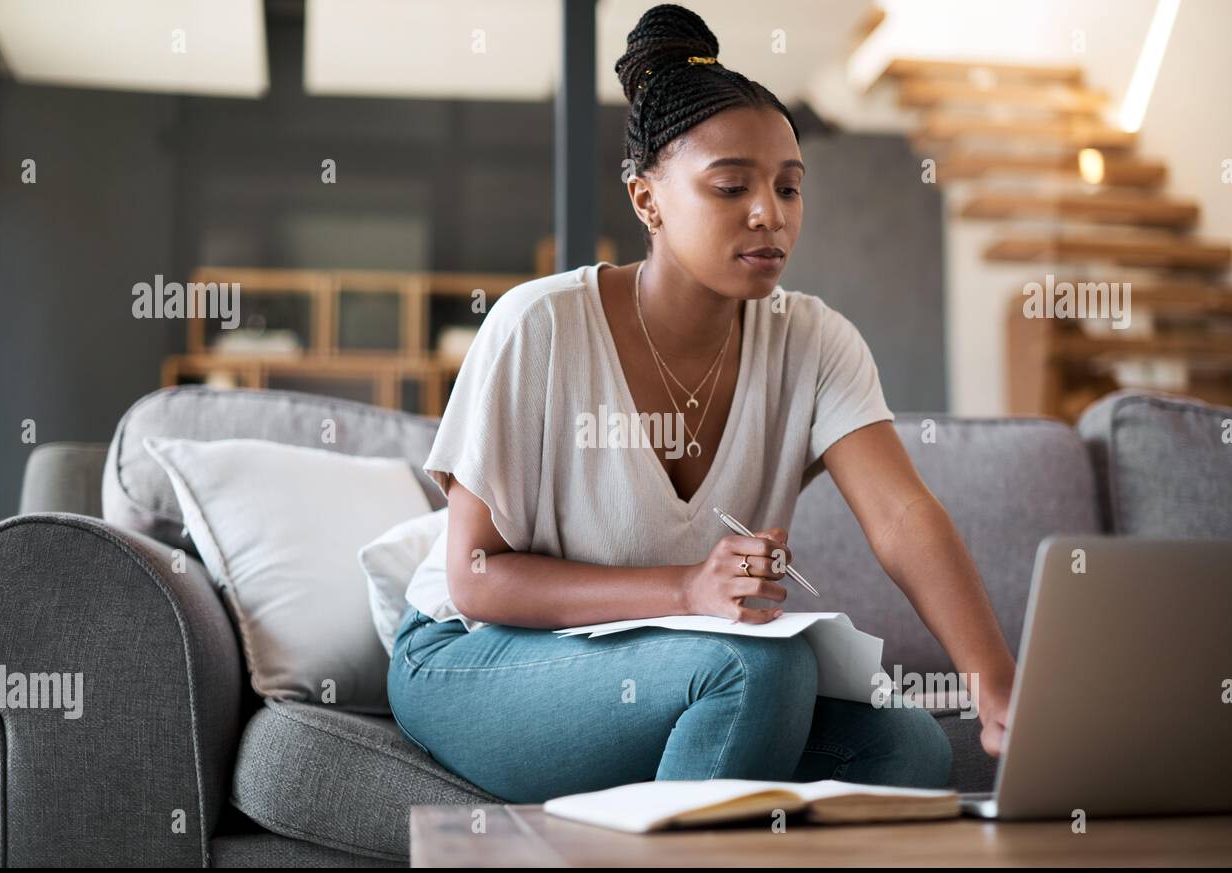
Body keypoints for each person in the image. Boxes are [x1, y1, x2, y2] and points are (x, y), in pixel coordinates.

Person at [387, 3, 1016, 804]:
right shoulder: (538, 326)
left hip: (668, 671)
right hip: (477, 654)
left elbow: (901, 517)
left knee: (907, 751)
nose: (771, 214)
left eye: (790, 187)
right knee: (754, 666)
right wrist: (688, 591)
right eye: (732, 187)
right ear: (647, 201)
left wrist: (995, 681)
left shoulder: (814, 341)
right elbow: (477, 576)